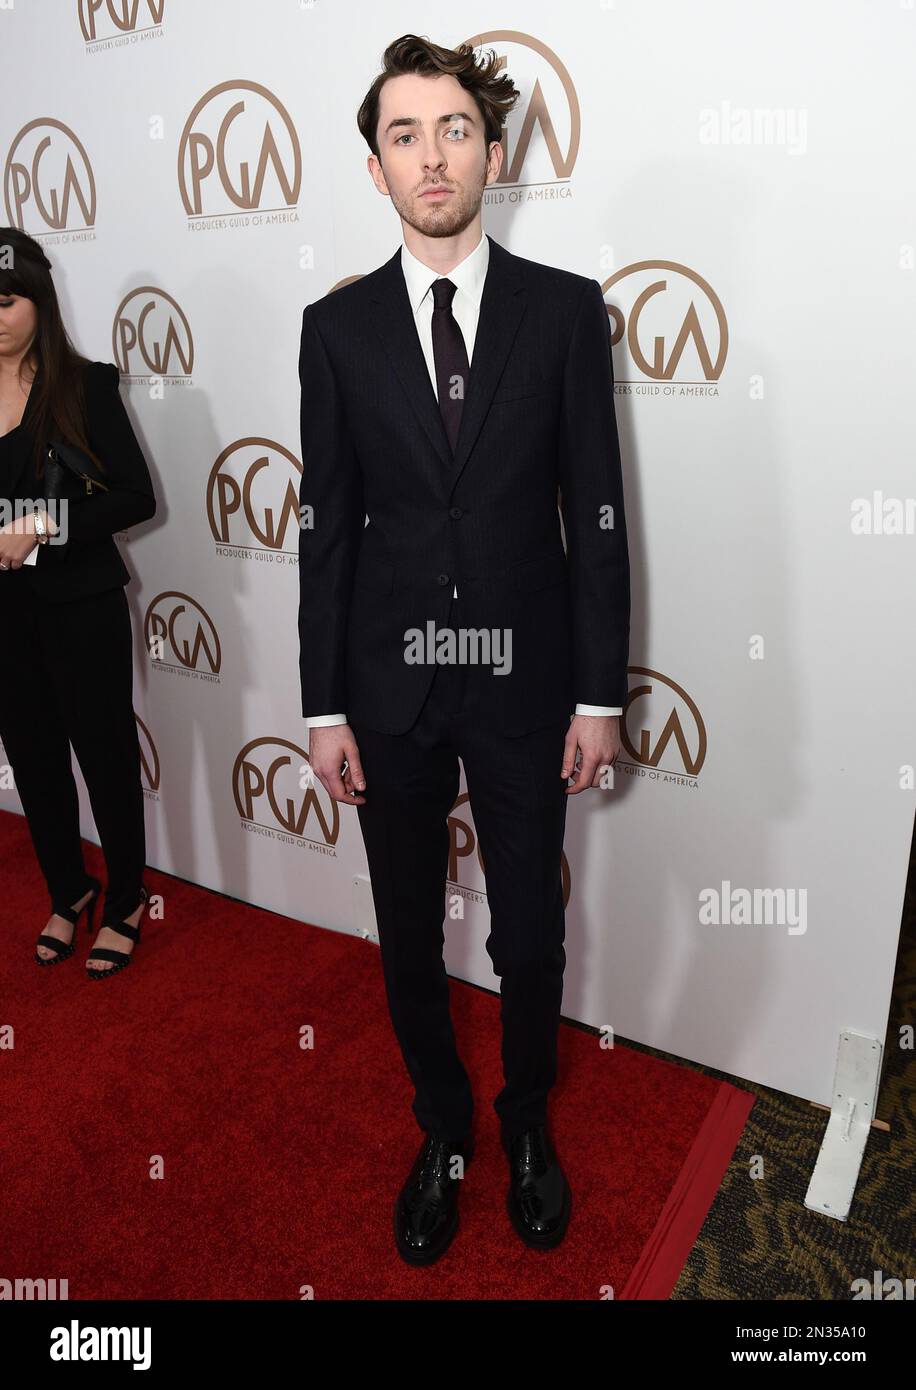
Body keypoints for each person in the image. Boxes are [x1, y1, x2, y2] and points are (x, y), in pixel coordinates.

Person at [298, 35, 630, 1264]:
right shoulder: (332, 331)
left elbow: (595, 512)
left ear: (491, 152)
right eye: (402, 134)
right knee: (404, 929)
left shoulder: (561, 312)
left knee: (531, 938)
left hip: (526, 684)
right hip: (385, 687)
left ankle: (526, 1123)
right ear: (375, 166)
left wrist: (599, 691)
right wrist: (324, 707)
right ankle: (442, 1130)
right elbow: (325, 530)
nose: (430, 156)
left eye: (452, 130)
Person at [0, 228, 156, 978]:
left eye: (6, 300)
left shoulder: (85, 385)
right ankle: (70, 889)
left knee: (104, 757)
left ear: (39, 300)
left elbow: (136, 496)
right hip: (4, 616)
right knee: (32, 761)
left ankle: (125, 899)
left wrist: (44, 526)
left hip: (81, 605)